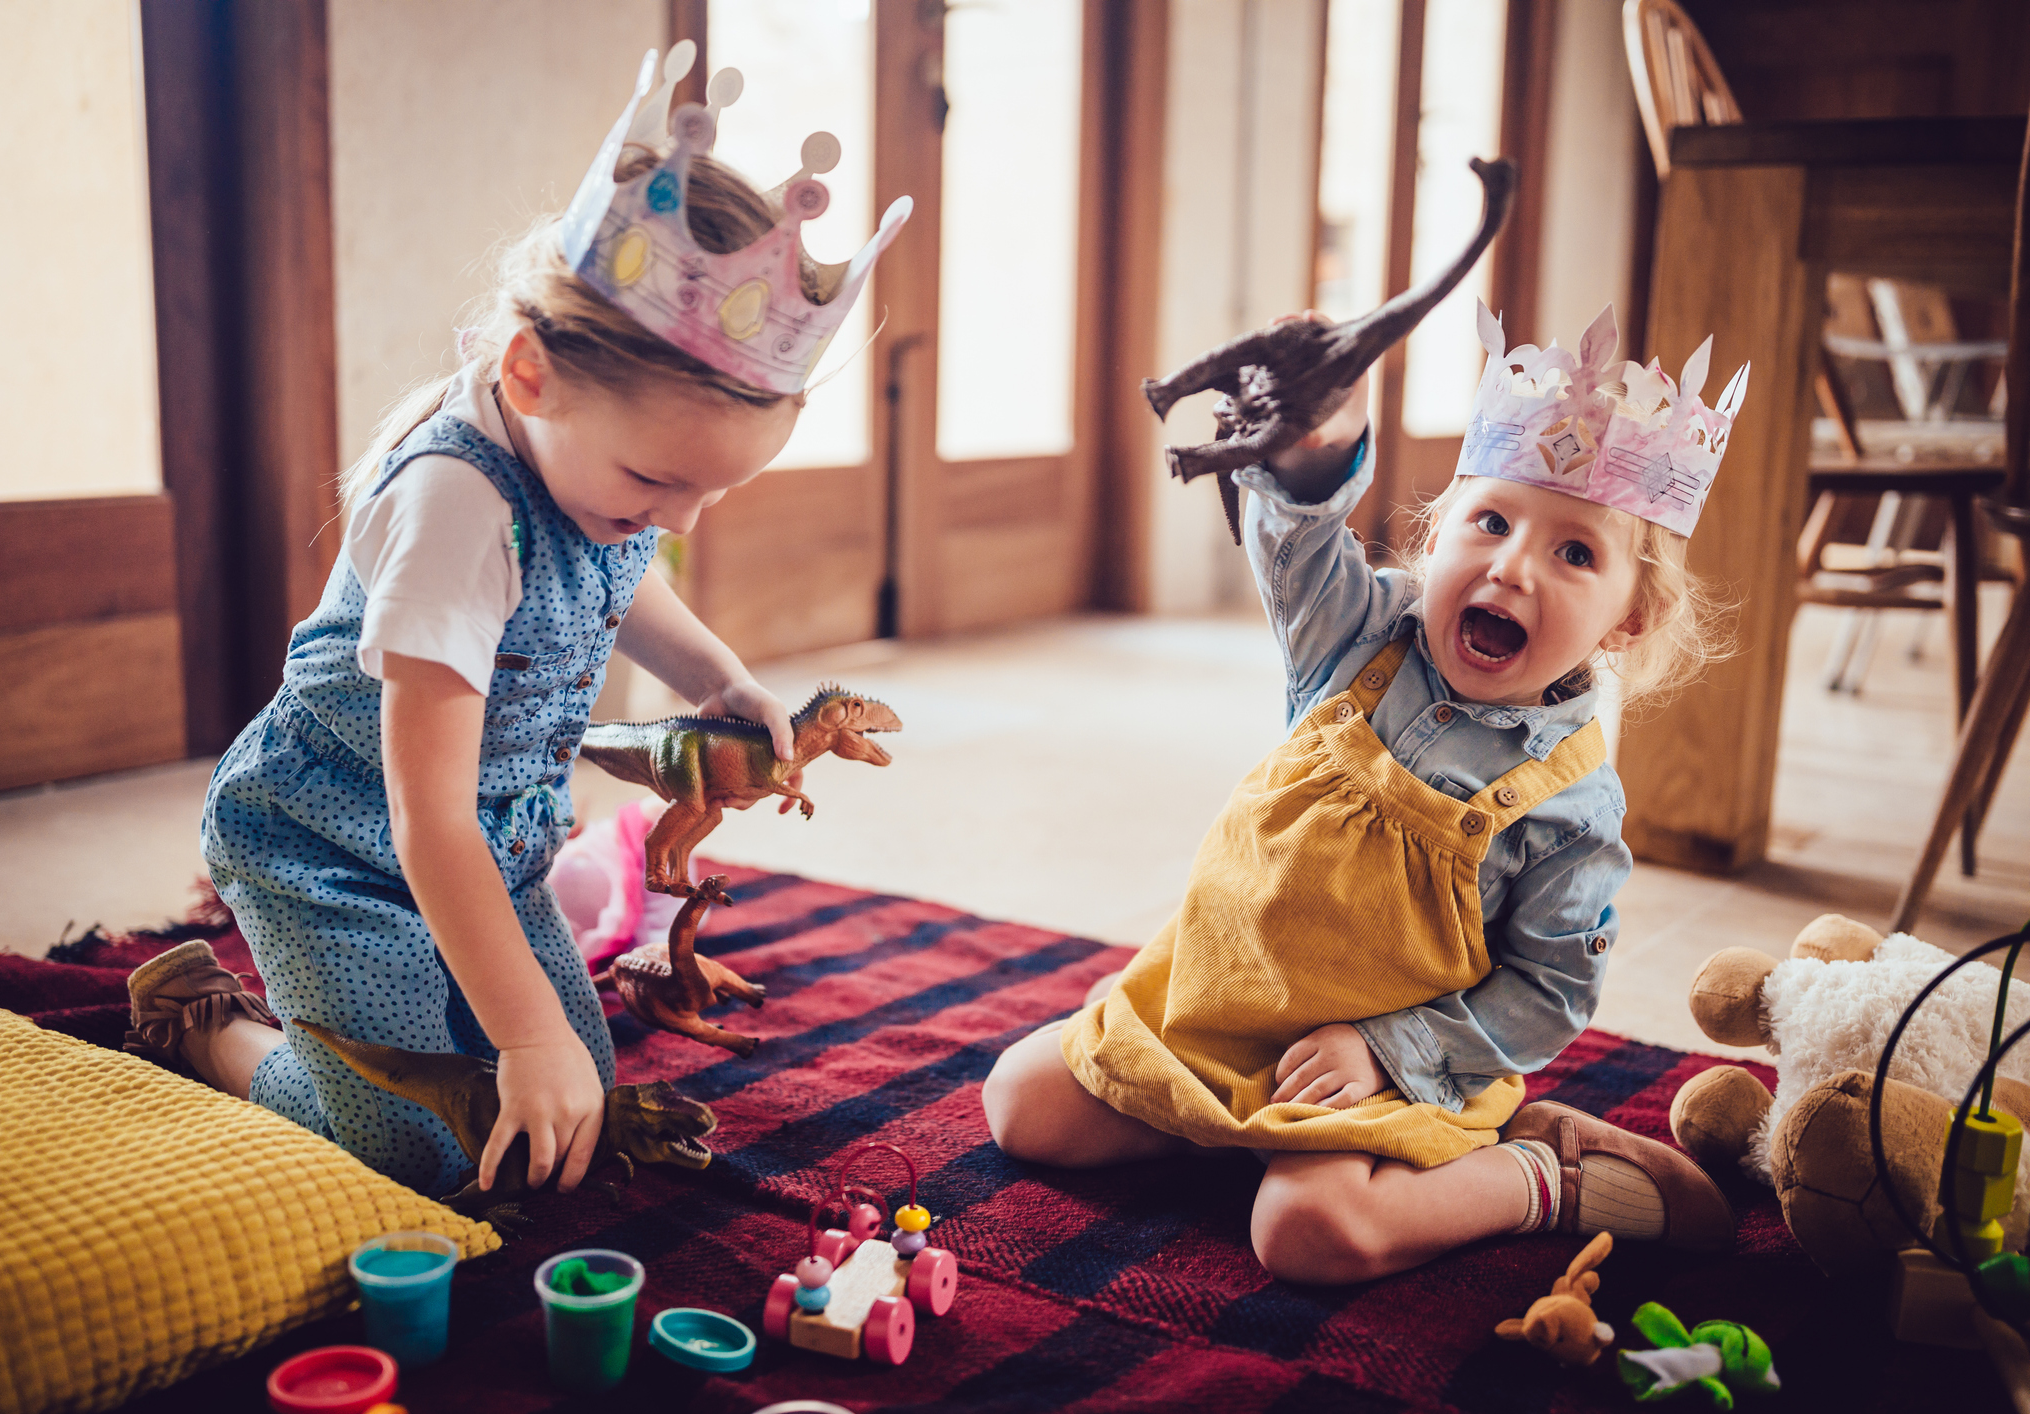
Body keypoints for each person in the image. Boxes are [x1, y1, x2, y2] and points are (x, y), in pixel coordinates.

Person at [121, 55, 908, 1203]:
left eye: (711, 492)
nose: (679, 520)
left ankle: (425, 1031)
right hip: (332, 849)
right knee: (425, 1144)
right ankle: (207, 1023)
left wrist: (717, 673)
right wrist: (524, 1033)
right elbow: (425, 818)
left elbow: (619, 576)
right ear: (532, 376)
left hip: (491, 847)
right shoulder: (457, 510)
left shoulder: (596, 476)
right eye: (656, 483)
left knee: (569, 1097)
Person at [983, 302, 1749, 1284]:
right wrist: (1323, 437)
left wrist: (1387, 1051)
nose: (1511, 566)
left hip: (1381, 1064)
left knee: (1309, 1232)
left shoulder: (1572, 809)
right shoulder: (1357, 638)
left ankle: (1537, 1173)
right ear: (1439, 535)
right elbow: (1299, 544)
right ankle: (1218, 1121)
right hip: (1220, 1012)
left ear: (1628, 620)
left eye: (1575, 553)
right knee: (1021, 1103)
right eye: (1491, 521)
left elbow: (1550, 993)